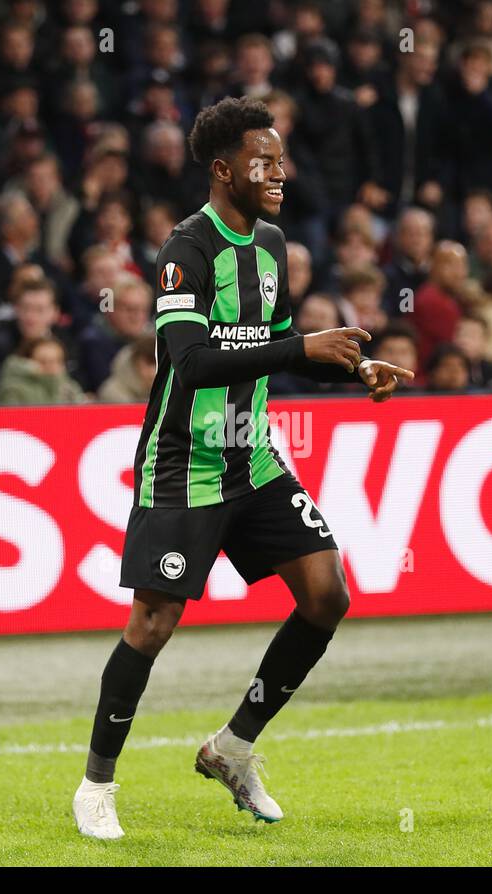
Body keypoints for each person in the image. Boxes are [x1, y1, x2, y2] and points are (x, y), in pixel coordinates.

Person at [72, 97, 413, 841]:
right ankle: (96, 785)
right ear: (224, 170)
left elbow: (276, 343)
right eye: (265, 162)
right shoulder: (184, 250)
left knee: (327, 594)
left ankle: (234, 747)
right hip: (182, 462)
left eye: (282, 160)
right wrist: (301, 350)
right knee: (154, 622)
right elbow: (190, 364)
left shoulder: (272, 244)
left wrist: (348, 369)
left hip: (252, 456)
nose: (280, 173)